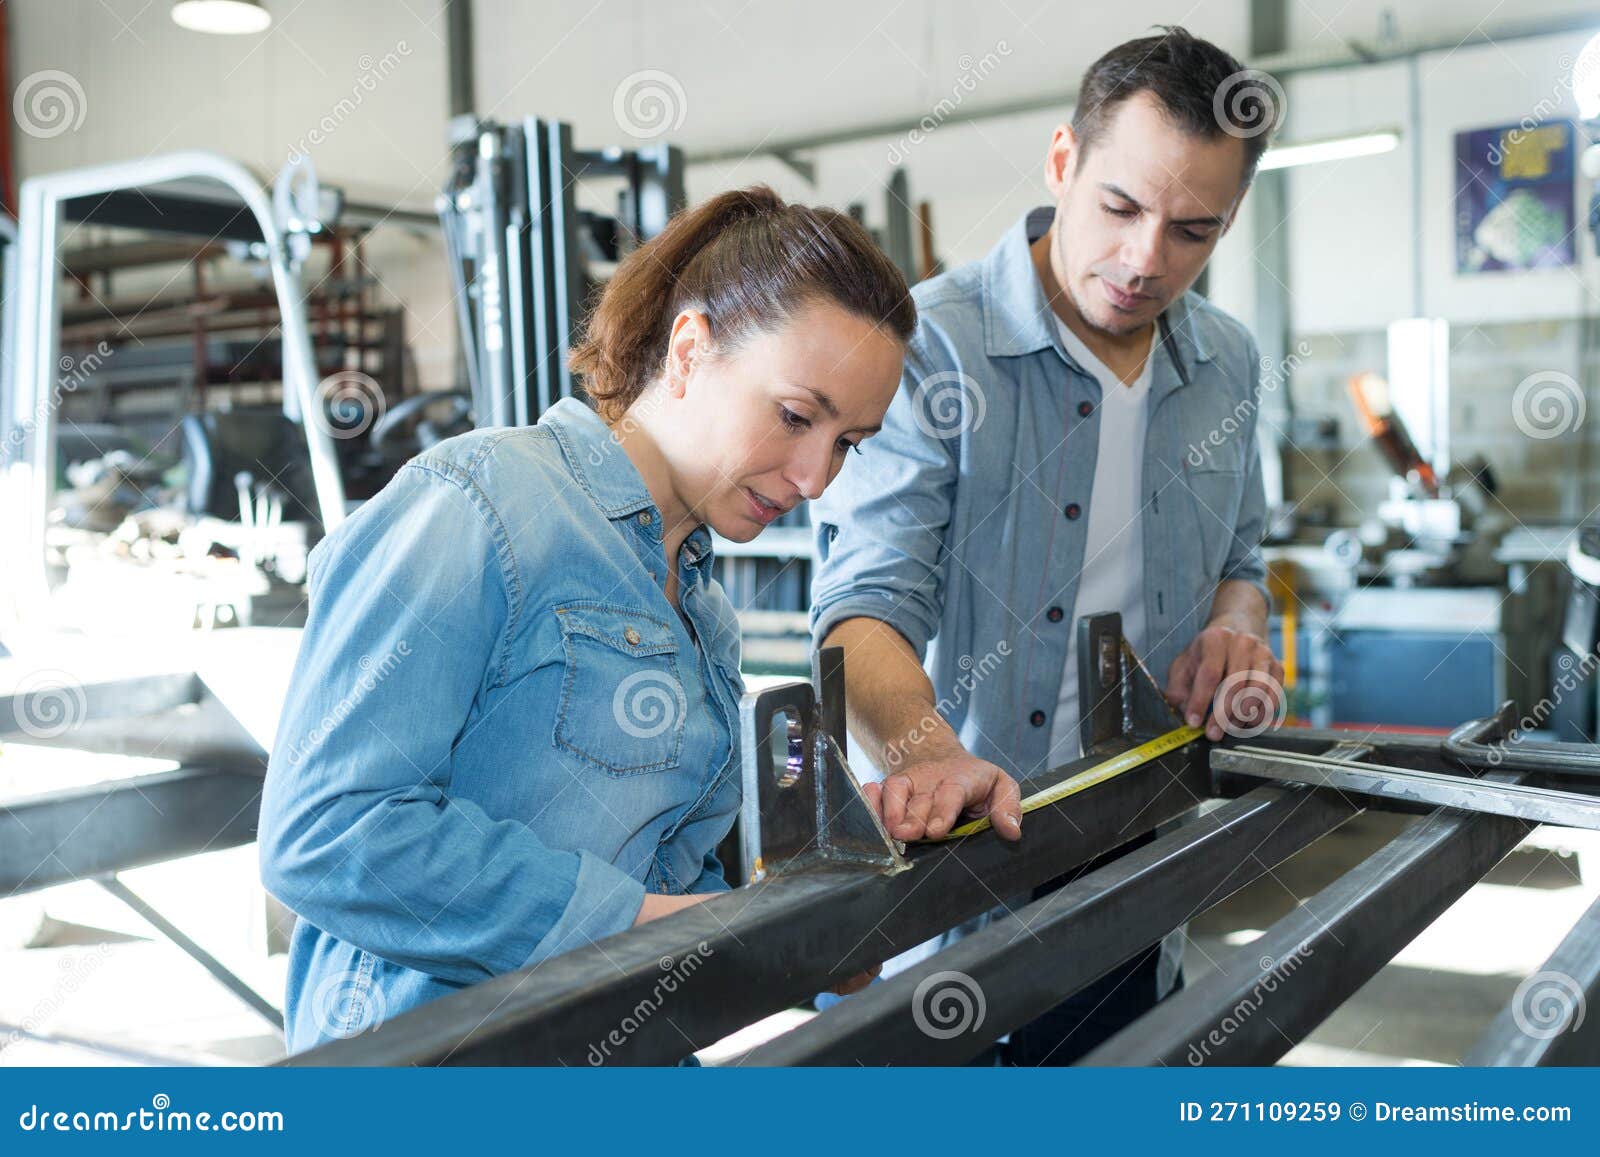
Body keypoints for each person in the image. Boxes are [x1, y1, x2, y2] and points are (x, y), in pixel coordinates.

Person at [259, 185, 915, 1054]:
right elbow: (325, 831)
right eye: (796, 416)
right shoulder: (479, 505)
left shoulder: (705, 615)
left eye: (846, 442)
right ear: (689, 350)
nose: (815, 477)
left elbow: (674, 876)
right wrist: (648, 925)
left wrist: (811, 902)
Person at [809, 27, 1287, 1064]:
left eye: (1193, 230)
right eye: (1119, 207)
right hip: (950, 866)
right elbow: (861, 608)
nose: (1143, 260)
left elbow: (1240, 563)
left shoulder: (1225, 366)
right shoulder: (930, 345)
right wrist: (928, 752)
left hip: (1135, 852)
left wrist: (1235, 632)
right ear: (1062, 162)